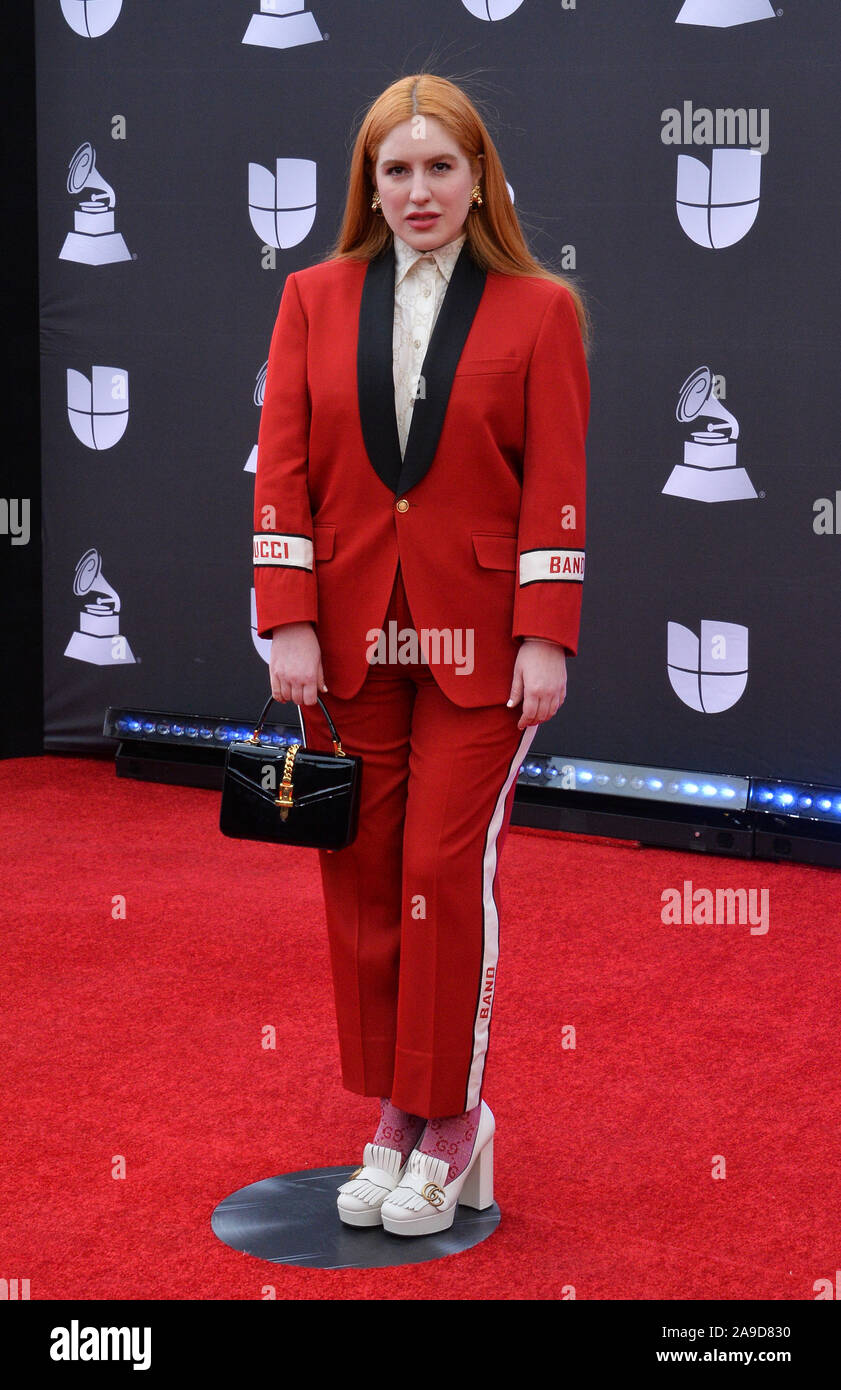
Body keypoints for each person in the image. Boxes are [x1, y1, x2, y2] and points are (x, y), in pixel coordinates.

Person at [252, 72, 590, 1238]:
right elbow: (281, 463)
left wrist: (546, 634)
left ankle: (450, 1123)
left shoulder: (541, 310)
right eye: (393, 170)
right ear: (368, 186)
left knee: (444, 873)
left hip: (484, 648)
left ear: (480, 175)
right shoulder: (311, 296)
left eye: (439, 166)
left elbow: (556, 482)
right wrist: (285, 613)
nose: (417, 190)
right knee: (361, 873)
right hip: (343, 637)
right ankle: (398, 1111)